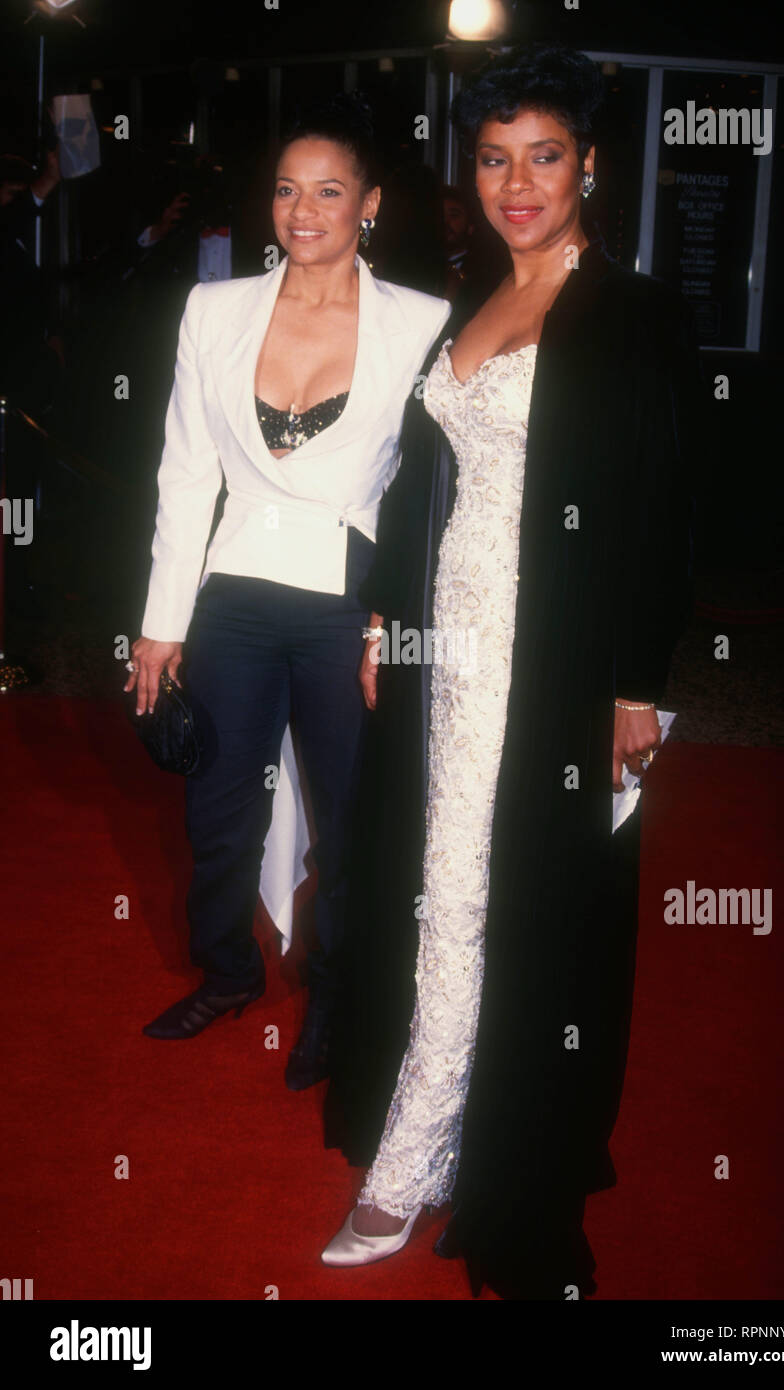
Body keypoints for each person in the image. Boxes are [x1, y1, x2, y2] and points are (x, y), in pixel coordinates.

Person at [321, 44, 702, 1298]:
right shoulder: (473, 296)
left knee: (507, 902)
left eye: (545, 156)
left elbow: (665, 508)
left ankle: (433, 1154)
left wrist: (636, 686)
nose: (518, 183)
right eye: (494, 159)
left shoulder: (632, 312)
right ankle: (435, 1124)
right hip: (451, 649)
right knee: (436, 885)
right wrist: (390, 624)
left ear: (590, 163)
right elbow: (428, 484)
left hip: (557, 659)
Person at [124, 94, 450, 1090]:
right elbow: (183, 471)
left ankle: (339, 999)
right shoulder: (214, 310)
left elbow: (427, 494)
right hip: (232, 592)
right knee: (218, 809)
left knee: (352, 816)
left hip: (349, 600)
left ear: (370, 204)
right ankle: (228, 970)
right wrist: (158, 623)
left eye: (329, 191)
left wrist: (392, 621)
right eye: (285, 189)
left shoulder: (423, 323)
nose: (302, 210)